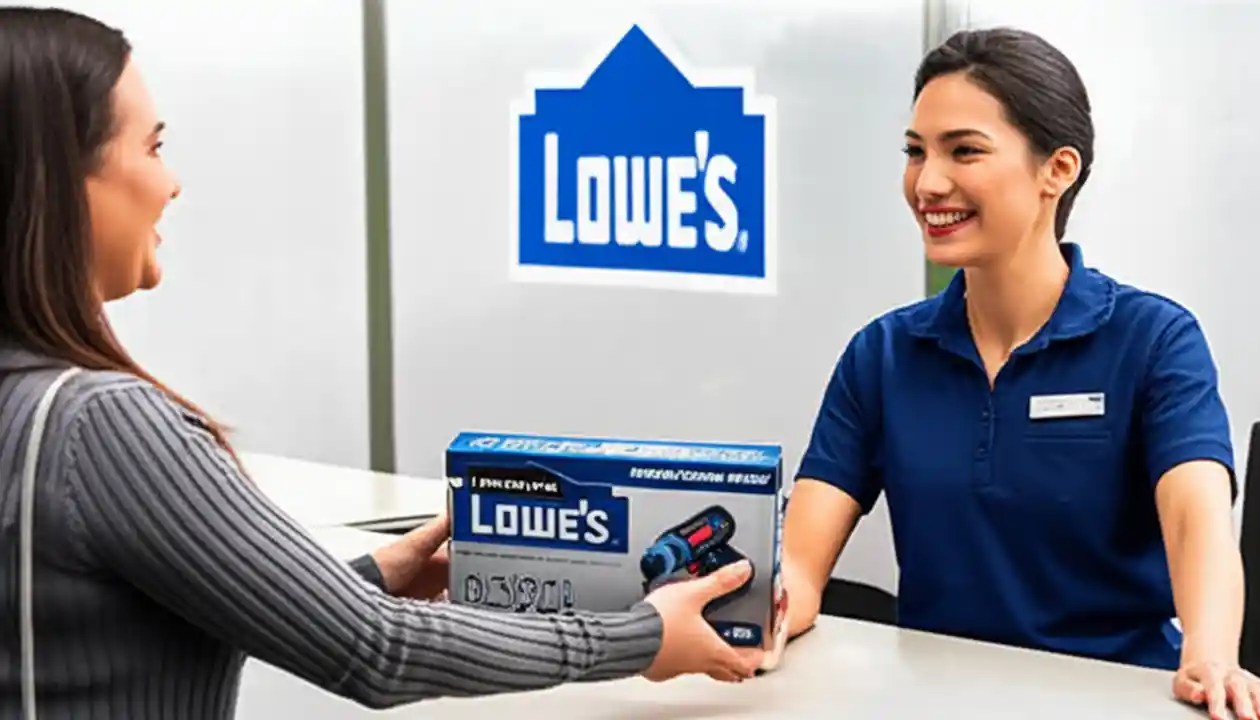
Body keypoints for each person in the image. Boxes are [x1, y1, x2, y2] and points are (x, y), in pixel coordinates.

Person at [0, 7, 762, 719]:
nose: (172, 183)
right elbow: (378, 651)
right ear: (58, 180)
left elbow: (160, 612)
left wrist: (374, 577)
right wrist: (640, 638)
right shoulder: (98, 425)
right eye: (153, 147)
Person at [775, 26, 1260, 720]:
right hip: (928, 700)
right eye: (915, 152)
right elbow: (800, 565)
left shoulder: (1156, 340)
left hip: (1116, 700)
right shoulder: (882, 354)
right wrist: (761, 617)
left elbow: (1198, 525)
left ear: (1058, 170)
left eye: (965, 151)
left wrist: (1212, 657)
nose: (928, 182)